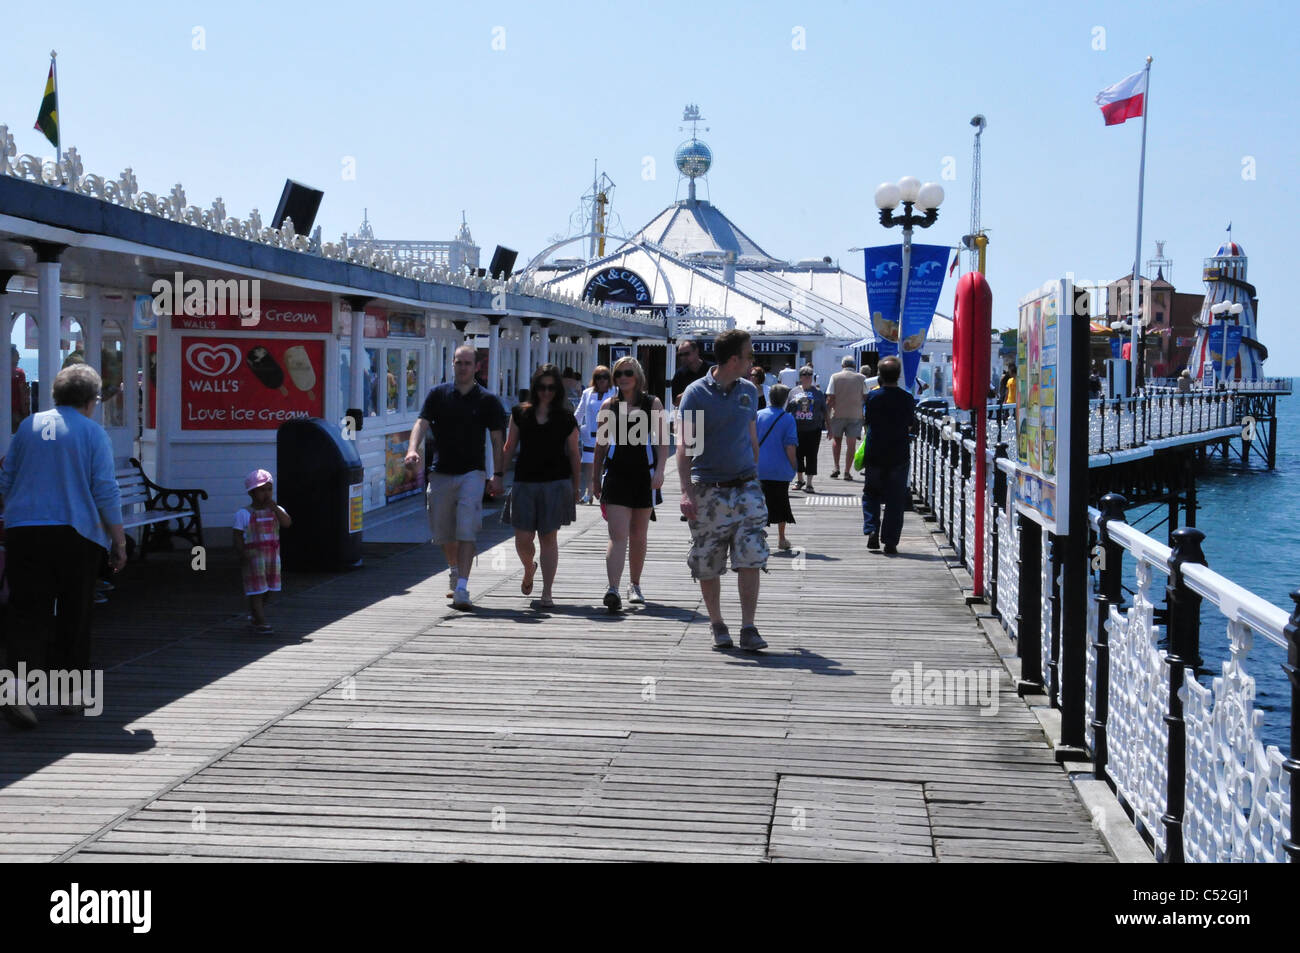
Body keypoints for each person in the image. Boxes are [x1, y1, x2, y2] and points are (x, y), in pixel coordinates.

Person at [0, 365, 126, 729]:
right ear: (91, 401)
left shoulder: (28, 427)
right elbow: (105, 488)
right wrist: (118, 540)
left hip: (24, 531)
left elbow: (6, 479)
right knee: (75, 612)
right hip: (75, 533)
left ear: (56, 395)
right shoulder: (92, 433)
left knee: (26, 613)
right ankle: (70, 695)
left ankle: (18, 692)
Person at [677, 329, 769, 651]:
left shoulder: (749, 391)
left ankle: (748, 626)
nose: (752, 361)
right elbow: (685, 446)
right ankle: (717, 623)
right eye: (749, 355)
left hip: (746, 487)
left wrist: (755, 476)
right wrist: (686, 491)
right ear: (734, 359)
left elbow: (752, 437)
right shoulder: (696, 395)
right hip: (708, 491)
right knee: (707, 560)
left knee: (751, 556)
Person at [405, 344, 506, 610]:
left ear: (476, 367)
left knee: (466, 528)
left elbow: (497, 440)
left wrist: (497, 474)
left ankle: (462, 586)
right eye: (458, 363)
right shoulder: (438, 395)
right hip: (440, 472)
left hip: (472, 473)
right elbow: (421, 423)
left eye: (467, 363)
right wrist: (412, 449)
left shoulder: (487, 400)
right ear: (452, 364)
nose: (462, 368)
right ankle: (453, 567)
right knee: (443, 532)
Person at [593, 356, 668, 611]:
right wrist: (594, 480)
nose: (623, 378)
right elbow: (601, 446)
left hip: (644, 476)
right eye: (618, 374)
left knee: (638, 535)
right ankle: (612, 588)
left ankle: (634, 584)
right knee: (618, 535)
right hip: (615, 475)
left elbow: (661, 441)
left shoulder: (652, 403)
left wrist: (660, 471)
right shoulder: (608, 405)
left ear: (637, 376)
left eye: (627, 373)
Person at [502, 364, 580, 609]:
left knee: (549, 538)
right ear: (535, 388)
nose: (546, 392)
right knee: (522, 538)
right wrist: (496, 475)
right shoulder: (519, 413)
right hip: (525, 482)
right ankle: (529, 568)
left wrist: (577, 486)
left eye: (551, 388)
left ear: (558, 390)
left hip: (556, 483)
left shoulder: (566, 418)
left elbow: (574, 453)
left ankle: (547, 592)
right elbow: (508, 447)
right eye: (542, 387)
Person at [860, 356, 916, 556]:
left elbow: (867, 422)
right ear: (898, 375)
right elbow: (910, 424)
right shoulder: (907, 398)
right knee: (895, 498)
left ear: (879, 376)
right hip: (898, 453)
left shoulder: (873, 397)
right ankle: (890, 541)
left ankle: (872, 528)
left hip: (875, 451)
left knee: (871, 493)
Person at [233, 469, 291, 634]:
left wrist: (276, 510)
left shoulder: (276, 510)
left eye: (268, 489)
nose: (266, 493)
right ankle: (261, 621)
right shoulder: (244, 514)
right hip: (253, 558)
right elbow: (237, 535)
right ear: (251, 493)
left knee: (269, 589)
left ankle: (255, 615)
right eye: (261, 490)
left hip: (272, 557)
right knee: (257, 590)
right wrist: (241, 553)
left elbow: (287, 523)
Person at [757, 384, 798, 552]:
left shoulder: (758, 415)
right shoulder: (788, 418)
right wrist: (794, 465)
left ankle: (759, 535)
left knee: (759, 502)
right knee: (781, 502)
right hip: (780, 469)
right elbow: (790, 446)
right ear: (785, 400)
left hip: (759, 467)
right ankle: (781, 538)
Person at [575, 366, 614, 503]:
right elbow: (579, 413)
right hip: (590, 435)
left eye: (604, 377)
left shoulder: (615, 392)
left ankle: (604, 492)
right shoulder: (587, 393)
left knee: (605, 465)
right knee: (589, 465)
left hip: (609, 435)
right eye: (598, 377)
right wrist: (572, 426)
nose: (601, 380)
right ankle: (589, 493)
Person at [826, 355, 867, 481]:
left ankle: (836, 467)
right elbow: (866, 397)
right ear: (854, 366)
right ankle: (847, 472)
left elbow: (830, 398)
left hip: (838, 413)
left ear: (842, 365)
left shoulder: (835, 377)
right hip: (855, 415)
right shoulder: (862, 378)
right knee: (851, 444)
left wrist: (827, 416)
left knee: (836, 441)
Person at [787, 366, 827, 493]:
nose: (807, 377)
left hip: (814, 429)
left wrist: (830, 428)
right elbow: (787, 410)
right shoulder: (792, 392)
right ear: (800, 377)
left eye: (809, 375)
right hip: (796, 429)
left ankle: (809, 483)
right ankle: (800, 480)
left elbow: (825, 411)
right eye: (804, 374)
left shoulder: (818, 393)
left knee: (811, 455)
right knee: (798, 455)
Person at [670, 339, 711, 410]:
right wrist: (693, 390)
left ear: (696, 351)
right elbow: (675, 402)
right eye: (680, 355)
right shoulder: (679, 374)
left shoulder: (711, 369)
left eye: (686, 354)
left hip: (711, 413)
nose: (683, 357)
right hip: (690, 415)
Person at [10, 345, 30, 433]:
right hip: (16, 414)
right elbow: (23, 395)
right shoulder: (19, 373)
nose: (19, 358)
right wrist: (26, 414)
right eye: (17, 356)